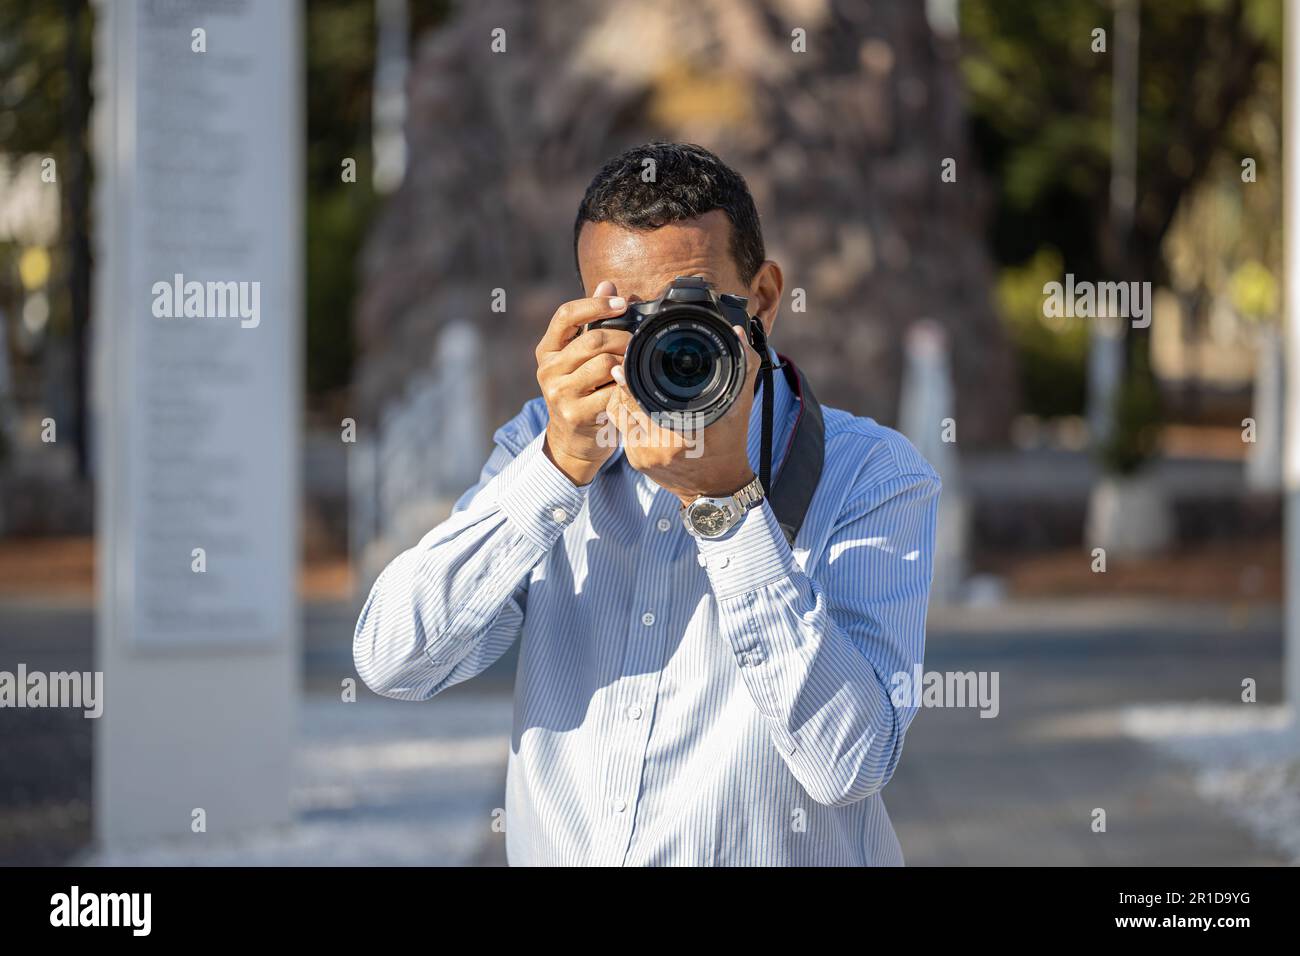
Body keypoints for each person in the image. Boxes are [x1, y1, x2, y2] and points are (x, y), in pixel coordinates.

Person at [353, 142, 941, 866]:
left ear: (762, 298)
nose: (663, 342)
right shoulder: (546, 443)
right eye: (623, 315)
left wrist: (727, 505)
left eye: (687, 309)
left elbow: (850, 763)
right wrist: (558, 468)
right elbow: (393, 661)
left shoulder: (871, 475)